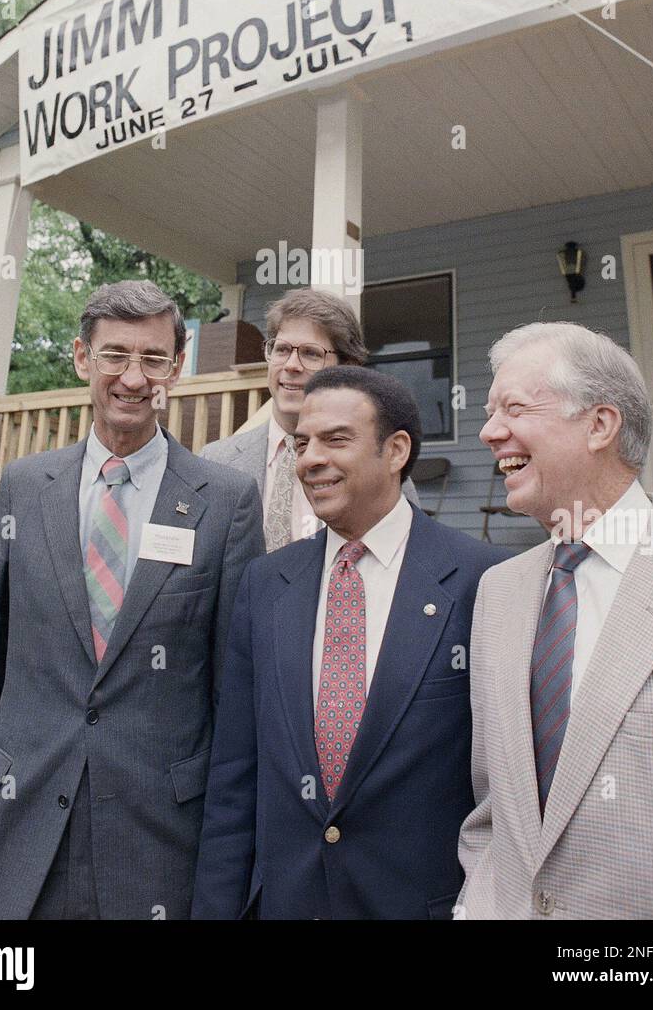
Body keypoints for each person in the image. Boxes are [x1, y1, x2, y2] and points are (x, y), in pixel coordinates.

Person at [0, 280, 264, 920]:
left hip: (159, 851)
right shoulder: (23, 488)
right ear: (82, 358)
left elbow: (235, 699)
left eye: (153, 359)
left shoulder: (227, 501)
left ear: (176, 368)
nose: (133, 378)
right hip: (14, 840)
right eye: (115, 355)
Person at [192, 365, 509, 920]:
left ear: (396, 450)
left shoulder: (484, 580)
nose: (310, 458)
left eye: (336, 440)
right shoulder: (265, 584)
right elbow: (234, 779)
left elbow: (504, 785)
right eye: (302, 442)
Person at [458, 322, 653, 921]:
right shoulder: (497, 594)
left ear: (600, 425)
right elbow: (493, 809)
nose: (488, 432)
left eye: (513, 408)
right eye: (487, 412)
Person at [202, 288, 418, 551]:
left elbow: (407, 556)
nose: (291, 365)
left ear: (346, 367)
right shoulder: (215, 461)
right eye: (281, 350)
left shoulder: (381, 464)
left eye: (310, 353)